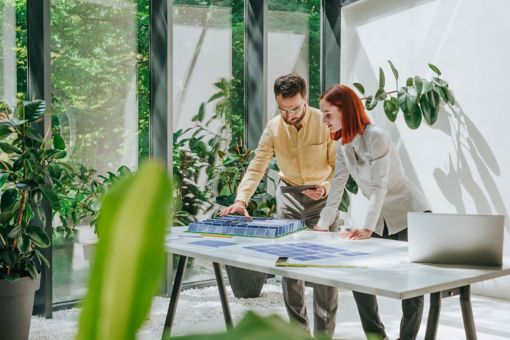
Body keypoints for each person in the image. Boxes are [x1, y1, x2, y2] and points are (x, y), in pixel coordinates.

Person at [219, 73, 339, 337]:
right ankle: (298, 333)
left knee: (325, 269)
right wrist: (241, 200)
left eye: (295, 108)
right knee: (289, 269)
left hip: (322, 200)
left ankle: (324, 335)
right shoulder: (274, 127)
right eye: (283, 109)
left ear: (304, 99)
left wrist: (326, 187)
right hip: (289, 197)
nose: (289, 115)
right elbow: (257, 165)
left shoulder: (324, 122)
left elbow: (337, 166)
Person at [313, 84, 431, 340]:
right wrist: (324, 223)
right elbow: (337, 185)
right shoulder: (343, 144)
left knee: (410, 285)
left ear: (346, 110)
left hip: (410, 213)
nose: (324, 120)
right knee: (360, 277)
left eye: (328, 114)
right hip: (378, 220)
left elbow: (380, 186)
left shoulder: (376, 136)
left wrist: (366, 227)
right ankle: (376, 336)